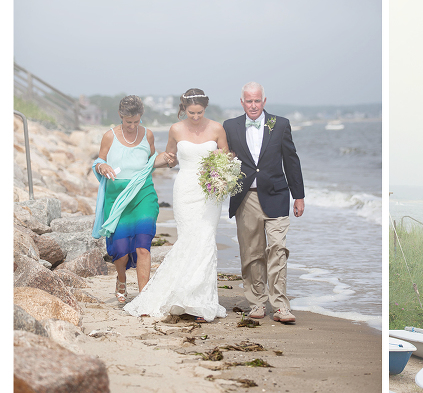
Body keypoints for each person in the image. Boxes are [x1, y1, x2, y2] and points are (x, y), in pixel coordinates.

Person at [124, 89, 229, 323]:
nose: (195, 116)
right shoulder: (176, 129)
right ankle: (183, 296)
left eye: (199, 112)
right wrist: (148, 165)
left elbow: (227, 156)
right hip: (185, 189)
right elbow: (169, 157)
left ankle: (201, 302)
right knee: (189, 240)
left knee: (204, 239)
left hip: (209, 192)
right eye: (191, 112)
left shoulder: (217, 128)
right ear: (184, 109)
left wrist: (223, 171)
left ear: (205, 109)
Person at [223, 82, 305, 324]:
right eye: (249, 101)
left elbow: (291, 160)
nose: (253, 105)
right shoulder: (230, 126)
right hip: (245, 197)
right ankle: (257, 302)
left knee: (278, 249)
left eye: (257, 101)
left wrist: (298, 195)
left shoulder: (280, 124)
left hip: (277, 195)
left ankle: (280, 306)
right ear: (242, 102)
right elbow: (225, 159)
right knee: (252, 253)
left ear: (264, 101)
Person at [93, 95, 174, 303]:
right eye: (128, 122)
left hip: (143, 193)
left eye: (136, 121)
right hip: (117, 197)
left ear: (141, 117)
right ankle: (121, 279)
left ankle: (144, 296)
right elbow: (100, 160)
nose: (132, 126)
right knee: (120, 250)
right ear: (121, 116)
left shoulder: (147, 135)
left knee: (143, 244)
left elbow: (152, 160)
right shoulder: (109, 136)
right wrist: (102, 166)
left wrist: (167, 159)